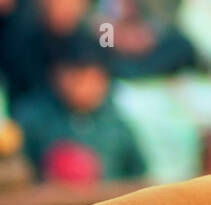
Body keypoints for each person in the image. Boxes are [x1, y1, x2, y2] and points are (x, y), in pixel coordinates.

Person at [13, 32, 147, 181]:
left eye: (93, 78)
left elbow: (138, 175)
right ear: (56, 75)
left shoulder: (116, 125)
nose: (85, 87)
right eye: (76, 77)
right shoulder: (32, 119)